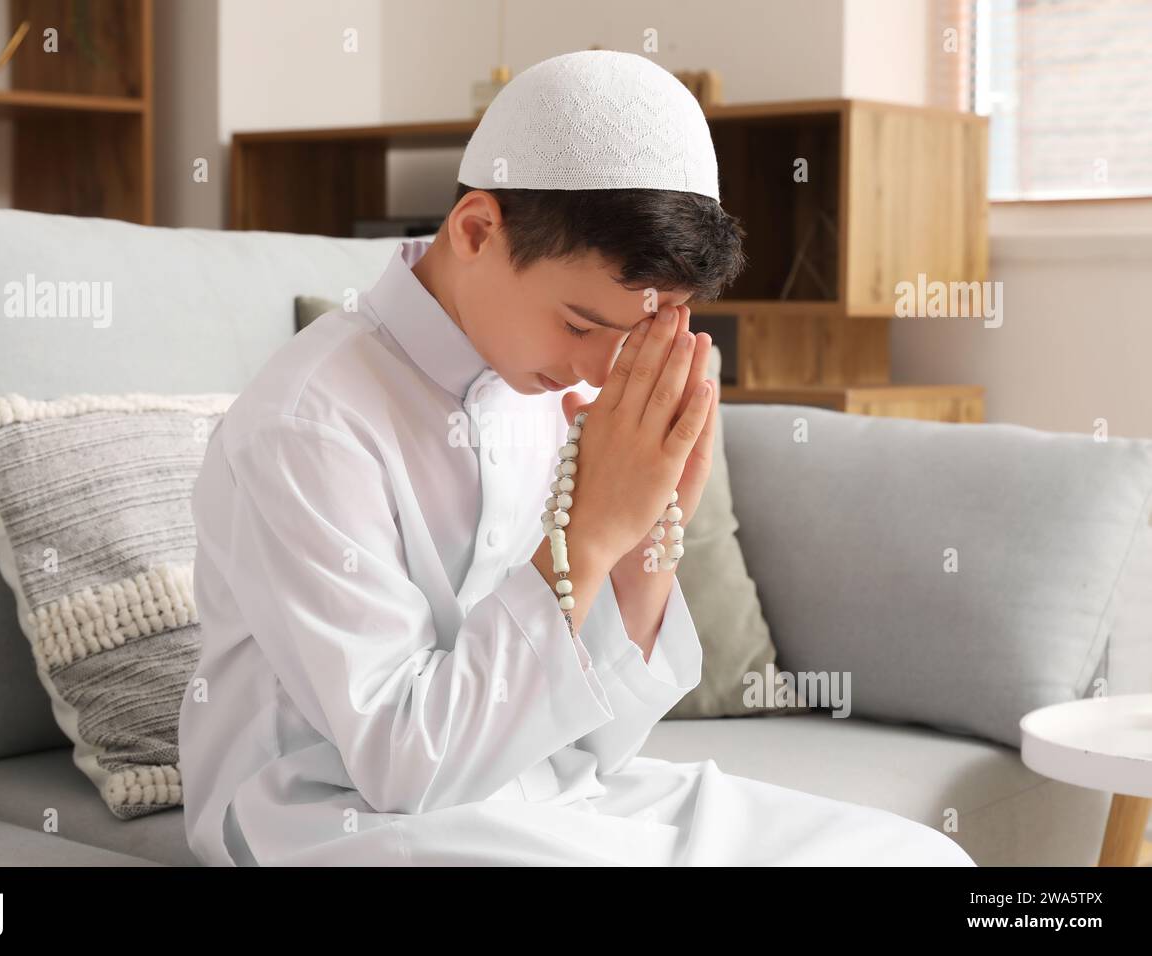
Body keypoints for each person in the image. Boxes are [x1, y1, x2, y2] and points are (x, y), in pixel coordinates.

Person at [177, 49, 976, 866]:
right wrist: (587, 535)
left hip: (544, 796)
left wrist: (646, 555)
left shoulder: (551, 384)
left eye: (633, 337)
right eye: (582, 325)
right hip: (341, 817)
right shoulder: (308, 423)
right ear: (478, 230)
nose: (600, 371)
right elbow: (399, 763)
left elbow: (594, 747)